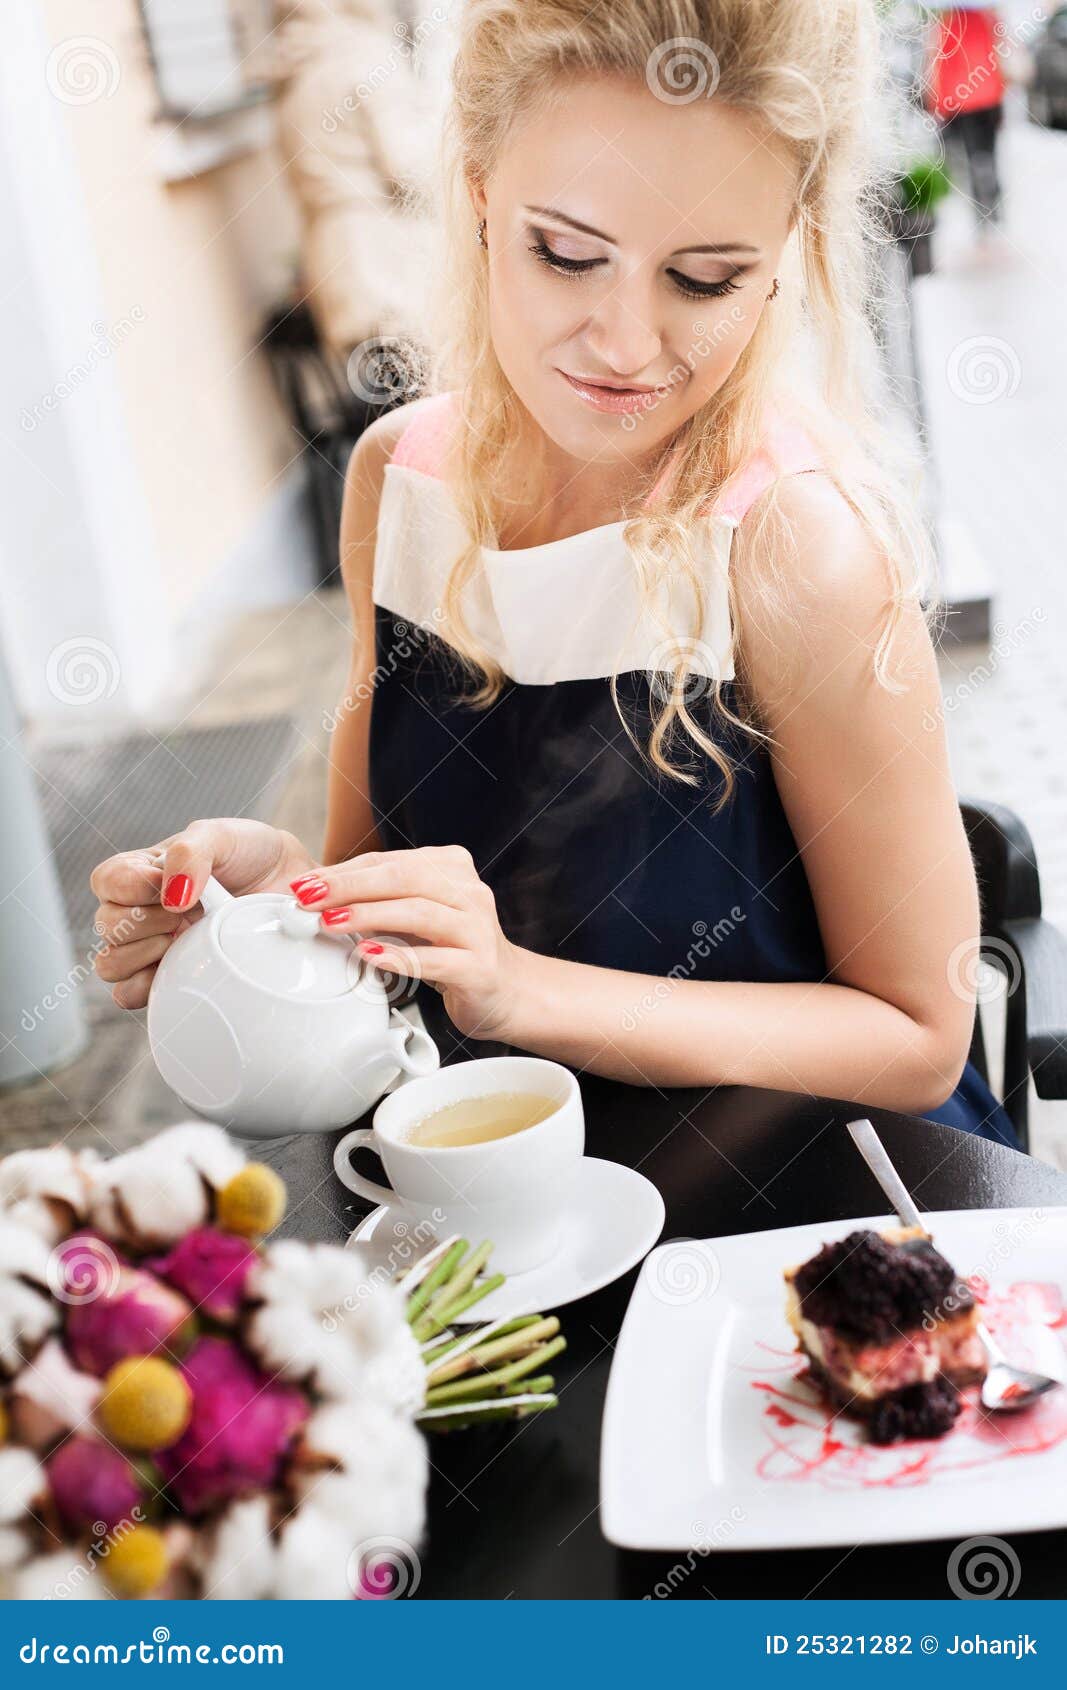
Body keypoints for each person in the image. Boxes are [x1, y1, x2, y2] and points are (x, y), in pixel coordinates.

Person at [91, 0, 1019, 1147]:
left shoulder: (792, 547)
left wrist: (521, 991)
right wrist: (279, 898)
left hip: (794, 1200)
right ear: (479, 191)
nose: (624, 344)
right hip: (485, 1169)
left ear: (787, 246)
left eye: (704, 279)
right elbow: (379, 890)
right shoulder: (399, 480)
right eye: (567, 254)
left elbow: (917, 1034)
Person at [926, 4, 1006, 227]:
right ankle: (992, 205)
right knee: (988, 154)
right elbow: (998, 55)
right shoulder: (986, 16)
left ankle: (981, 208)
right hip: (989, 97)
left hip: (960, 100)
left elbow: (939, 63)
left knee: (970, 156)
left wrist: (937, 104)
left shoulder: (946, 21)